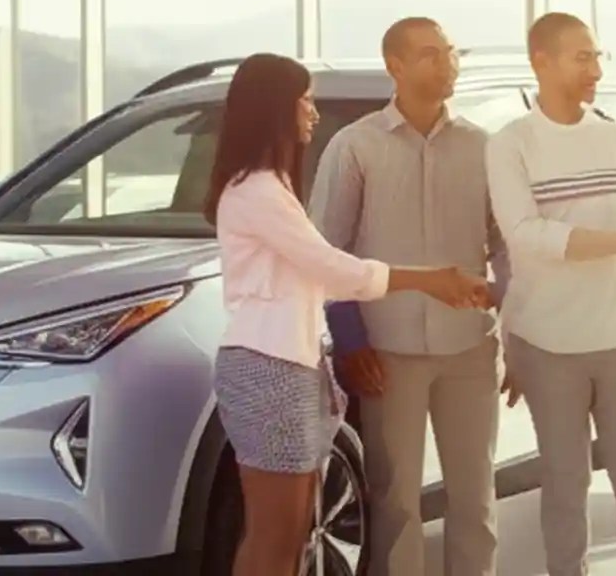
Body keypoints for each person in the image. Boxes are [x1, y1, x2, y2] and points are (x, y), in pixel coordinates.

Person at [204, 52, 488, 576]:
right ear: (275, 108)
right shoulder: (258, 191)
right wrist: (431, 280)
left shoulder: (272, 186)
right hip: (268, 371)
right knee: (273, 537)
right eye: (305, 101)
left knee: (292, 536)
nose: (312, 112)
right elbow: (335, 270)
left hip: (290, 366)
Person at [309, 17, 508, 576]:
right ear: (394, 66)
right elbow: (329, 254)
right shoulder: (355, 147)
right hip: (385, 353)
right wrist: (350, 340)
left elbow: (507, 247)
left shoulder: (482, 147)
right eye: (429, 54)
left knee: (476, 496)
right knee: (395, 501)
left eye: (450, 52)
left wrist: (511, 321)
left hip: (469, 348)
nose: (447, 64)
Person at [485, 12, 616, 576]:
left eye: (597, 56)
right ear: (541, 62)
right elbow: (525, 236)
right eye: (582, 57)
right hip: (547, 343)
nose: (596, 68)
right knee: (565, 486)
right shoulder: (510, 145)